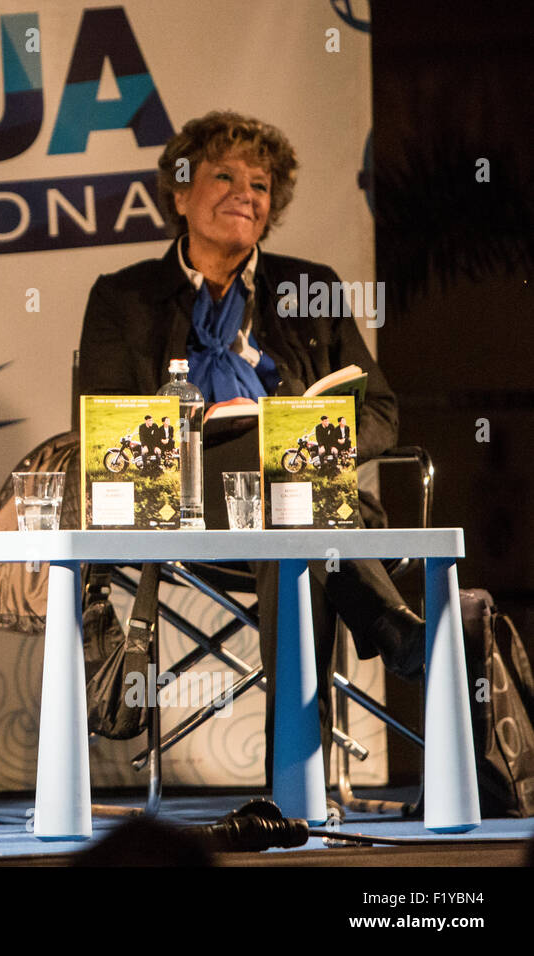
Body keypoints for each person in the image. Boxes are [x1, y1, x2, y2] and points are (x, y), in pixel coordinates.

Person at [77, 110, 423, 778]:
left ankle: (292, 785)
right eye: (225, 176)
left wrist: (308, 443)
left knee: (293, 508)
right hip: (181, 505)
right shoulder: (125, 297)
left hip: (294, 506)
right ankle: (385, 628)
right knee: (292, 497)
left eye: (261, 185)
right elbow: (106, 427)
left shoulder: (309, 286)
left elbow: (378, 409)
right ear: (179, 195)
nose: (247, 193)